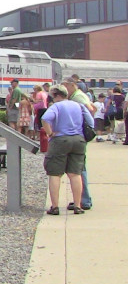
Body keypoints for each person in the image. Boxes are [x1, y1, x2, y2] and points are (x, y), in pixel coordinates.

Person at [41, 85, 93, 215]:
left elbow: (45, 118)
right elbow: (91, 122)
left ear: (56, 95)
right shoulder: (78, 105)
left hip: (60, 139)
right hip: (78, 140)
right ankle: (77, 205)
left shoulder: (56, 106)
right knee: (75, 174)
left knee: (55, 174)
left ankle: (55, 207)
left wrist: (50, 133)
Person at [64, 79, 95, 210]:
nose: (65, 90)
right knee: (79, 169)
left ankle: (84, 200)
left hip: (78, 135)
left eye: (66, 87)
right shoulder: (79, 95)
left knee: (79, 169)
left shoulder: (77, 98)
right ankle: (82, 199)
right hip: (79, 136)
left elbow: (90, 110)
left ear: (72, 85)